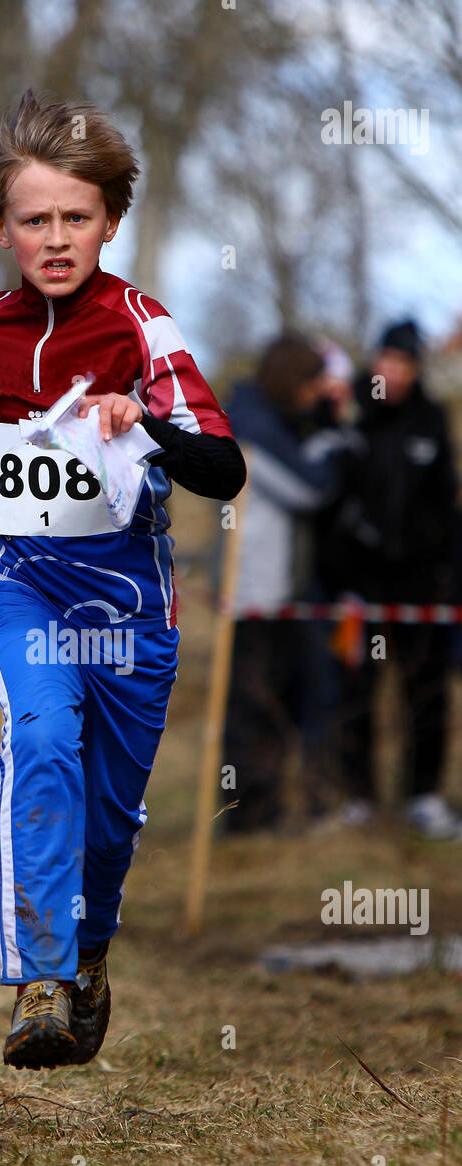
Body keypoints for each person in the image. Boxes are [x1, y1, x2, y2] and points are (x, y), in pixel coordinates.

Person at [0, 89, 245, 1070]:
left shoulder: (142, 329)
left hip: (127, 609)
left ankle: (91, 950)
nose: (58, 237)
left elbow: (223, 468)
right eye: (36, 219)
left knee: (109, 817)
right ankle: (39, 979)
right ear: (2, 228)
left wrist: (144, 425)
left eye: (78, 217)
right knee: (39, 743)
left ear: (110, 221)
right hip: (24, 586)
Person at [316, 319, 461, 838]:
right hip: (360, 585)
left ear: (416, 368)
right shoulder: (349, 408)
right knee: (356, 688)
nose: (393, 373)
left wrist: (445, 572)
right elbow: (326, 494)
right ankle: (359, 797)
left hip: (421, 587)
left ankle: (422, 796)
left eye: (404, 364)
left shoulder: (430, 417)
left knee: (426, 690)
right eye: (387, 361)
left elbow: (445, 502)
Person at [220, 334, 348, 832]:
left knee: (272, 701)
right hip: (255, 591)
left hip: (271, 589)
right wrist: (330, 443)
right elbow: (310, 488)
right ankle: (246, 815)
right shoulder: (253, 431)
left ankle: (265, 807)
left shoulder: (259, 418)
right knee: (252, 705)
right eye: (313, 382)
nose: (319, 392)